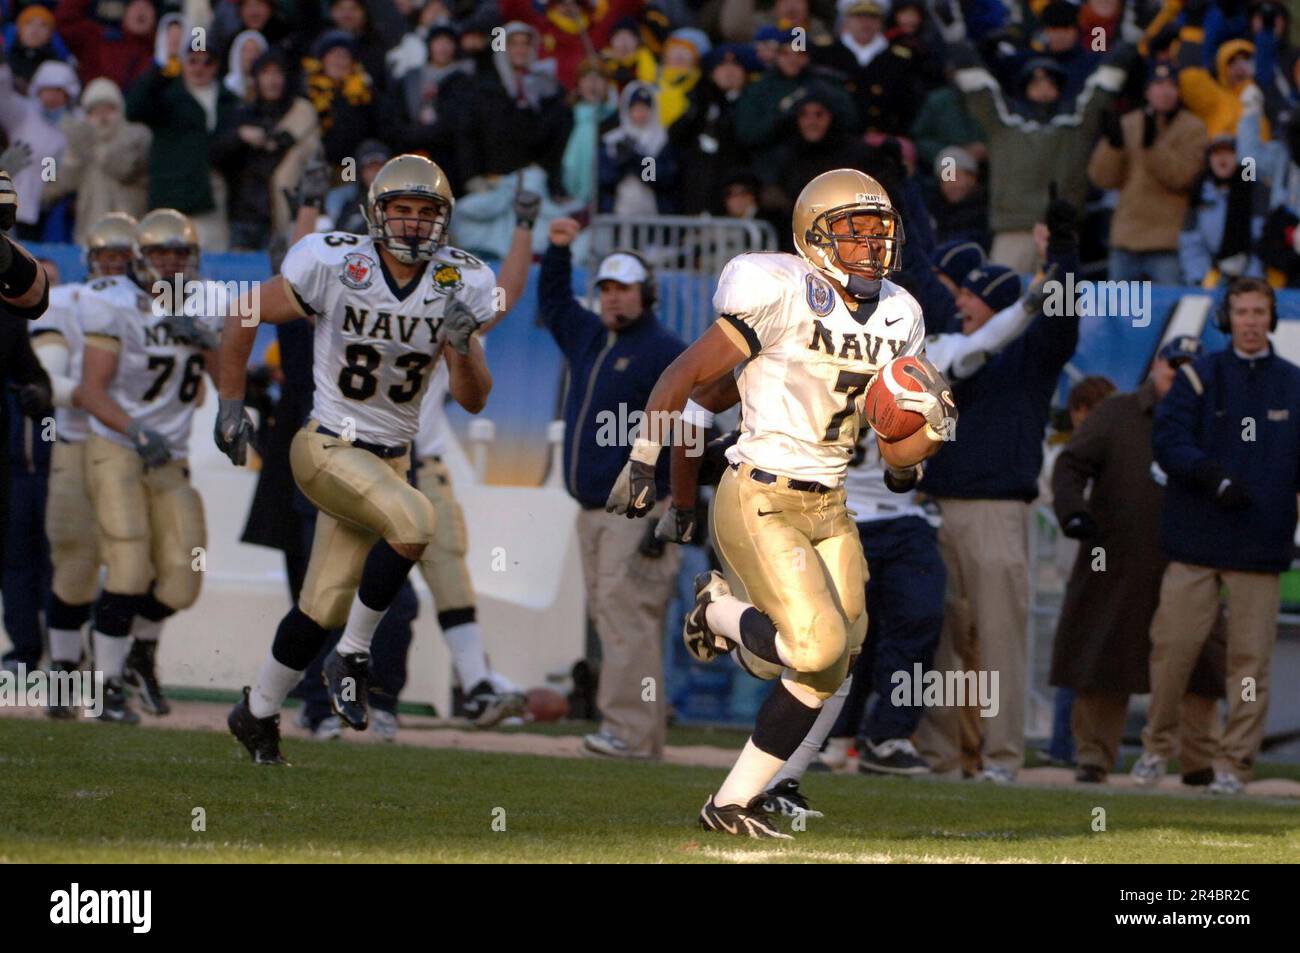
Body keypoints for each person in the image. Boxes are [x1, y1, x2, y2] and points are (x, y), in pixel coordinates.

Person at [608, 168, 954, 837]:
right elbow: (686, 375)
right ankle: (717, 608)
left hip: (832, 502)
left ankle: (732, 799)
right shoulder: (779, 289)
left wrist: (920, 440)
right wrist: (646, 456)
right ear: (813, 236)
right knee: (813, 643)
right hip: (760, 491)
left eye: (879, 232)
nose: (870, 246)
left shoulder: (902, 314)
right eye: (854, 232)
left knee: (832, 658)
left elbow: (895, 456)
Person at [216, 154, 494, 765]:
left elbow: (473, 399)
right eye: (403, 210)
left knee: (320, 607)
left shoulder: (462, 282)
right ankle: (355, 656)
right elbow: (244, 310)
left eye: (427, 213)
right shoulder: (338, 263)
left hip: (390, 461)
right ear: (377, 214)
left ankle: (257, 712)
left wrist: (464, 345)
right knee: (418, 521)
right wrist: (230, 404)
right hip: (327, 445)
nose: (415, 224)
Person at [914, 197, 1084, 783]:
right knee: (936, 644)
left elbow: (1060, 317)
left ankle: (1002, 759)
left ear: (1001, 304)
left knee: (1000, 644)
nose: (959, 303)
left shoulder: (1032, 353)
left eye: (970, 296)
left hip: (996, 515)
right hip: (933, 510)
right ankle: (939, 757)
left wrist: (1063, 255)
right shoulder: (948, 354)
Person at [1132, 277, 1300, 795]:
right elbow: (1169, 441)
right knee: (1173, 651)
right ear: (1227, 320)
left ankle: (1234, 765)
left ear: (1271, 319)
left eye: (1258, 311)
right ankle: (1156, 749)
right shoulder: (1199, 377)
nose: (1250, 321)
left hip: (1261, 548)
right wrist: (1214, 477)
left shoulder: (1294, 384)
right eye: (1242, 312)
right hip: (1195, 542)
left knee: (1250, 665)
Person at [539, 221, 686, 760]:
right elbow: (553, 304)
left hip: (636, 507)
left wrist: (668, 506)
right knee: (616, 617)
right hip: (592, 510)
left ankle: (627, 732)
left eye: (623, 289)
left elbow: (682, 431)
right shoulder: (590, 337)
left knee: (626, 619)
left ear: (646, 295)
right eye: (604, 288)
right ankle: (638, 738)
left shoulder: (664, 350)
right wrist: (556, 249)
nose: (611, 298)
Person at [1051, 336, 1225, 785]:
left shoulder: (1215, 420)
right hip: (1118, 555)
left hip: (1192, 558)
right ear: (1156, 366)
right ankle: (1093, 756)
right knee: (1105, 653)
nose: (1178, 375)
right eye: (1173, 365)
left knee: (1199, 662)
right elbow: (1071, 463)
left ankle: (1197, 761)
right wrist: (1073, 514)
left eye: (1190, 368)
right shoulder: (1117, 412)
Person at [76, 209, 221, 722]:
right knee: (130, 566)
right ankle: (105, 685)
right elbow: (88, 390)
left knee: (184, 576)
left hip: (172, 457)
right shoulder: (114, 303)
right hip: (118, 446)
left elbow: (222, 376)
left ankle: (137, 654)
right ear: (139, 258)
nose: (169, 263)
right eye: (159, 254)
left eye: (178, 254)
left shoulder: (208, 299)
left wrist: (208, 338)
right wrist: (136, 429)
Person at [29, 213, 136, 711]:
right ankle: (67, 676)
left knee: (135, 568)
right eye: (106, 257)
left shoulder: (152, 306)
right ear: (91, 260)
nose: (113, 266)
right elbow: (51, 378)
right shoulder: (68, 300)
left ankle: (114, 679)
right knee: (73, 561)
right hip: (76, 443)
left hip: (137, 454)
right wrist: (90, 399)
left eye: (122, 257)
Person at [1088, 63, 1208, 284]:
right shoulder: (1129, 123)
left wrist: (1154, 148)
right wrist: (1112, 147)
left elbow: (1183, 178)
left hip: (1167, 242)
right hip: (1125, 238)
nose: (1165, 91)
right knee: (1117, 312)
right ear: (1147, 91)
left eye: (1171, 85)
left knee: (1168, 312)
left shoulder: (1193, 128)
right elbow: (1103, 179)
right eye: (1158, 85)